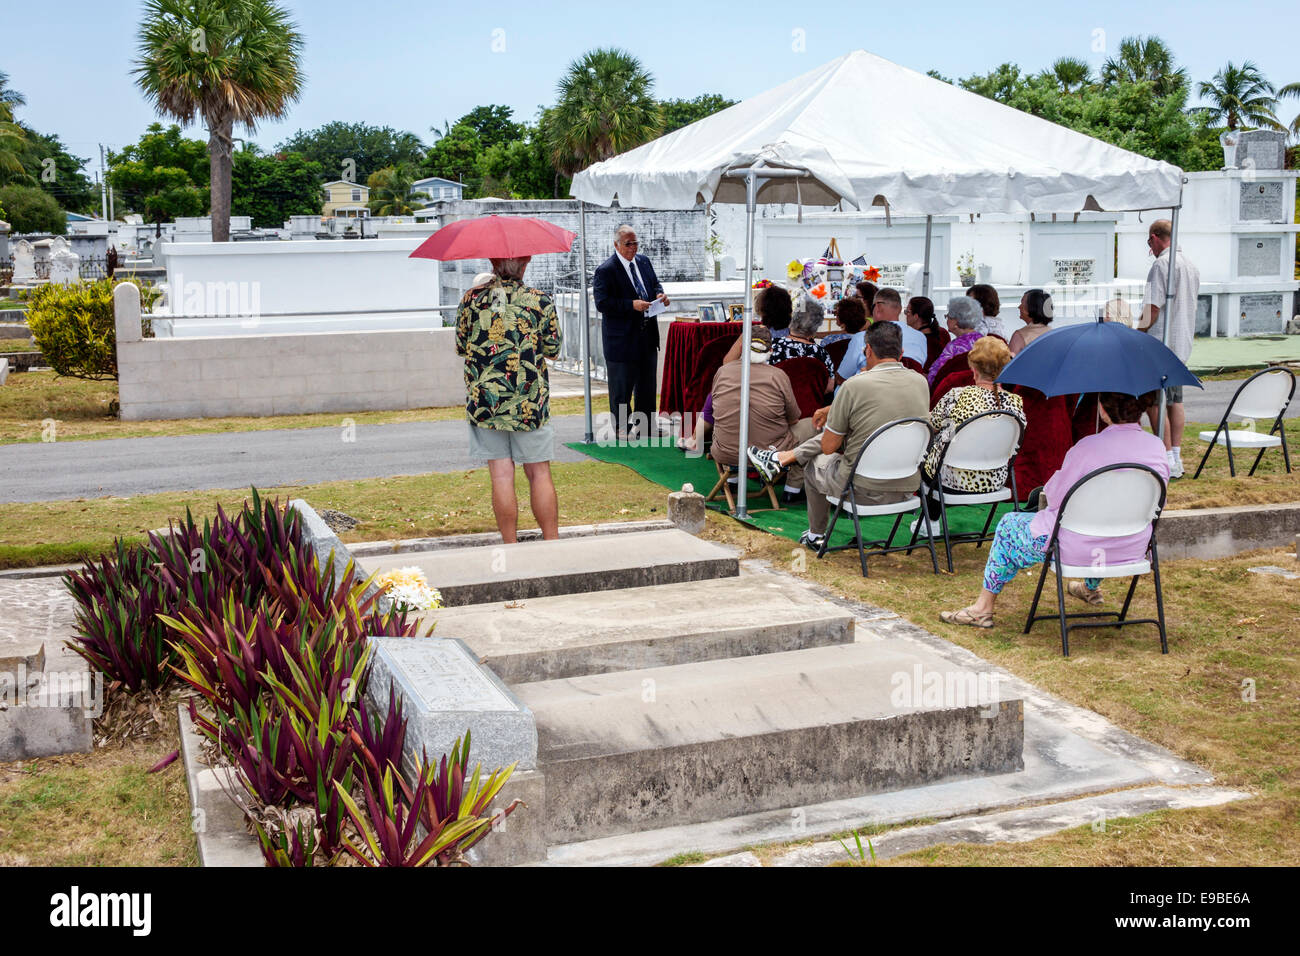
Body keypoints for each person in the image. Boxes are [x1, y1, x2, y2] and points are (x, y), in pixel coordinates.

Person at [939, 390, 1170, 628]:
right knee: (1106, 516)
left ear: (1102, 408)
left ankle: (982, 608)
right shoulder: (1157, 448)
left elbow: (1056, 496)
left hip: (1074, 547)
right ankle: (1090, 587)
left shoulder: (1087, 447)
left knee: (1009, 524)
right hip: (1132, 546)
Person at [748, 321, 930, 550]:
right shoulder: (920, 382)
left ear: (868, 350)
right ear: (901, 353)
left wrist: (838, 419)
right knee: (855, 431)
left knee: (816, 461)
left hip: (862, 488)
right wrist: (835, 412)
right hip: (906, 486)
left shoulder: (855, 386)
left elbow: (828, 446)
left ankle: (815, 534)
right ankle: (781, 459)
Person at [455, 256, 562, 544]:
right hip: (529, 401)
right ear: (525, 264)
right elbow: (553, 350)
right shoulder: (540, 300)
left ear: (492, 262)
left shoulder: (472, 300)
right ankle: (552, 544)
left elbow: (462, 346)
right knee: (539, 472)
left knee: (501, 475)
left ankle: (510, 546)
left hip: (487, 403)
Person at [920, 336, 1025, 525]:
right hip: (995, 480)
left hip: (951, 481)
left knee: (931, 454)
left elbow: (931, 426)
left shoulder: (957, 395)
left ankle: (931, 521)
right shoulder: (1016, 404)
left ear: (974, 370)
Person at [710, 327, 815, 489]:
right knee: (813, 426)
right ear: (770, 350)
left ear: (742, 347)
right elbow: (793, 418)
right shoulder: (777, 376)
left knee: (734, 423)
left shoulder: (723, 372)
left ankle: (732, 481)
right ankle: (793, 488)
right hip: (768, 452)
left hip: (725, 451)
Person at [593, 224, 670, 440]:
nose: (633, 247)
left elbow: (655, 284)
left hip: (646, 335)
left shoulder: (644, 262)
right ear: (616, 245)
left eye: (636, 242)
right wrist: (631, 305)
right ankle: (621, 427)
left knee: (647, 385)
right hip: (621, 339)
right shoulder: (606, 270)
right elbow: (602, 303)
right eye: (629, 243)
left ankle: (646, 426)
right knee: (622, 386)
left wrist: (660, 295)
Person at [1138, 218, 1200, 479]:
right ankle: (1176, 454)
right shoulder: (1191, 265)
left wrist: (1137, 331)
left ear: (1154, 237)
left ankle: (1164, 456)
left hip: (1160, 343)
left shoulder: (1161, 265)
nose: (1149, 248)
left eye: (1149, 242)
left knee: (1155, 402)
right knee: (1176, 401)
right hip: (1181, 341)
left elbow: (1153, 307)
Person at [836, 287, 927, 378]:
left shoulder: (862, 338)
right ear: (899, 309)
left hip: (871, 390)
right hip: (910, 389)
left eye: (873, 307)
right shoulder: (920, 337)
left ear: (878, 307)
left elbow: (842, 377)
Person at [769, 295, 836, 386]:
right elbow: (829, 387)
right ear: (815, 327)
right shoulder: (822, 353)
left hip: (777, 398)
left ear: (792, 320)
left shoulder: (772, 346)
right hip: (809, 399)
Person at [722, 285, 795, 365]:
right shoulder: (798, 335)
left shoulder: (752, 333)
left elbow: (727, 363)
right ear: (789, 308)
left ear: (760, 310)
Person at [928, 297, 984, 386]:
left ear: (956, 323)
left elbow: (935, 376)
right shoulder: (984, 341)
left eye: (948, 317)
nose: (946, 319)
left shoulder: (954, 347)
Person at [904, 295, 950, 370]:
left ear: (915, 316)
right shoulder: (943, 333)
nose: (906, 315)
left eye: (907, 312)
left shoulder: (915, 340)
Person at [1008, 289, 1054, 355]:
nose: (1019, 307)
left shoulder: (1019, 336)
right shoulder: (1053, 332)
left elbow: (1009, 363)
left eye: (1022, 303)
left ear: (1031, 308)